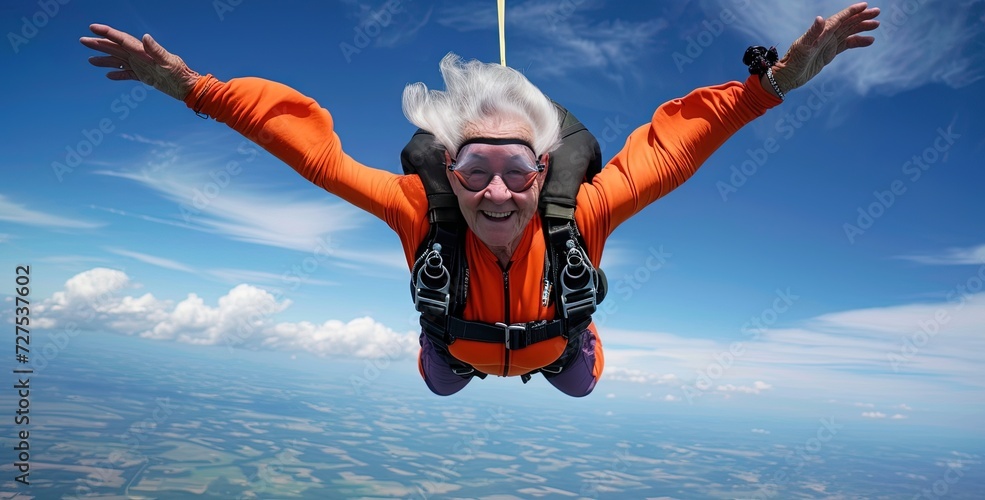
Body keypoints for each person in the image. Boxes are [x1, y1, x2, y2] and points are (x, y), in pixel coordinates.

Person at [81, 3, 880, 397]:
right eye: (471, 167)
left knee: (577, 381)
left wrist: (767, 87)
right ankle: (467, 351)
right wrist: (194, 90)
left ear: (545, 167)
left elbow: (672, 152)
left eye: (517, 168)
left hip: (555, 345)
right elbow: (312, 155)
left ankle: (574, 341)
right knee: (444, 379)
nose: (495, 190)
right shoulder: (417, 211)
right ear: (445, 167)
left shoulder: (585, 212)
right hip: (459, 348)